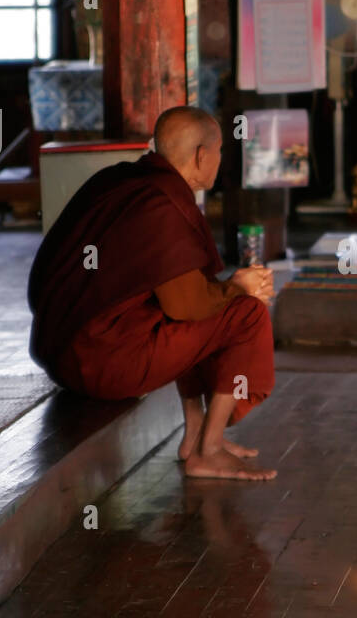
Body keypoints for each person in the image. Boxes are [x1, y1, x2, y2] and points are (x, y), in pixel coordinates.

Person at [28, 107, 276, 482]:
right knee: (245, 313)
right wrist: (239, 287)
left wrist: (225, 289)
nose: (221, 159)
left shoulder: (121, 179)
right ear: (200, 156)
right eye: (220, 150)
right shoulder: (161, 204)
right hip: (103, 365)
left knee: (193, 298)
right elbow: (189, 308)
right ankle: (208, 451)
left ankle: (195, 431)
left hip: (58, 352)